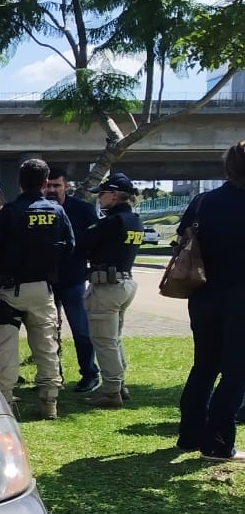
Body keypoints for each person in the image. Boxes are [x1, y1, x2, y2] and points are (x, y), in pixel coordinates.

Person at [0, 158, 74, 419]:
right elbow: (70, 247)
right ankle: (49, 402)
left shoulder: (10, 212)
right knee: (46, 347)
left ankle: (6, 402)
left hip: (9, 291)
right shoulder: (57, 212)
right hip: (43, 289)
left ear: (19, 183)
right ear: (45, 183)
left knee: (5, 349)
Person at [176, 140, 245, 461]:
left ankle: (190, 434)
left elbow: (182, 239)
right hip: (240, 298)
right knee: (236, 371)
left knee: (204, 365)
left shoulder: (203, 201)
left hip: (203, 294)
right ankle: (218, 443)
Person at [77, 172, 144, 408]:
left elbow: (82, 243)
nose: (99, 198)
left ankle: (111, 390)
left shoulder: (112, 222)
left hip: (107, 286)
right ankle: (119, 384)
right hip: (124, 283)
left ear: (114, 195)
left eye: (103, 194)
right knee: (113, 339)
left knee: (104, 341)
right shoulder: (135, 220)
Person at [46, 167, 101, 393]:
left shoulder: (83, 210)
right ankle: (52, 376)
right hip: (45, 281)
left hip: (74, 280)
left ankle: (89, 373)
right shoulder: (36, 210)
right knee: (47, 333)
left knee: (81, 330)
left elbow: (96, 241)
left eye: (56, 185)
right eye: (48, 185)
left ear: (66, 186)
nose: (52, 189)